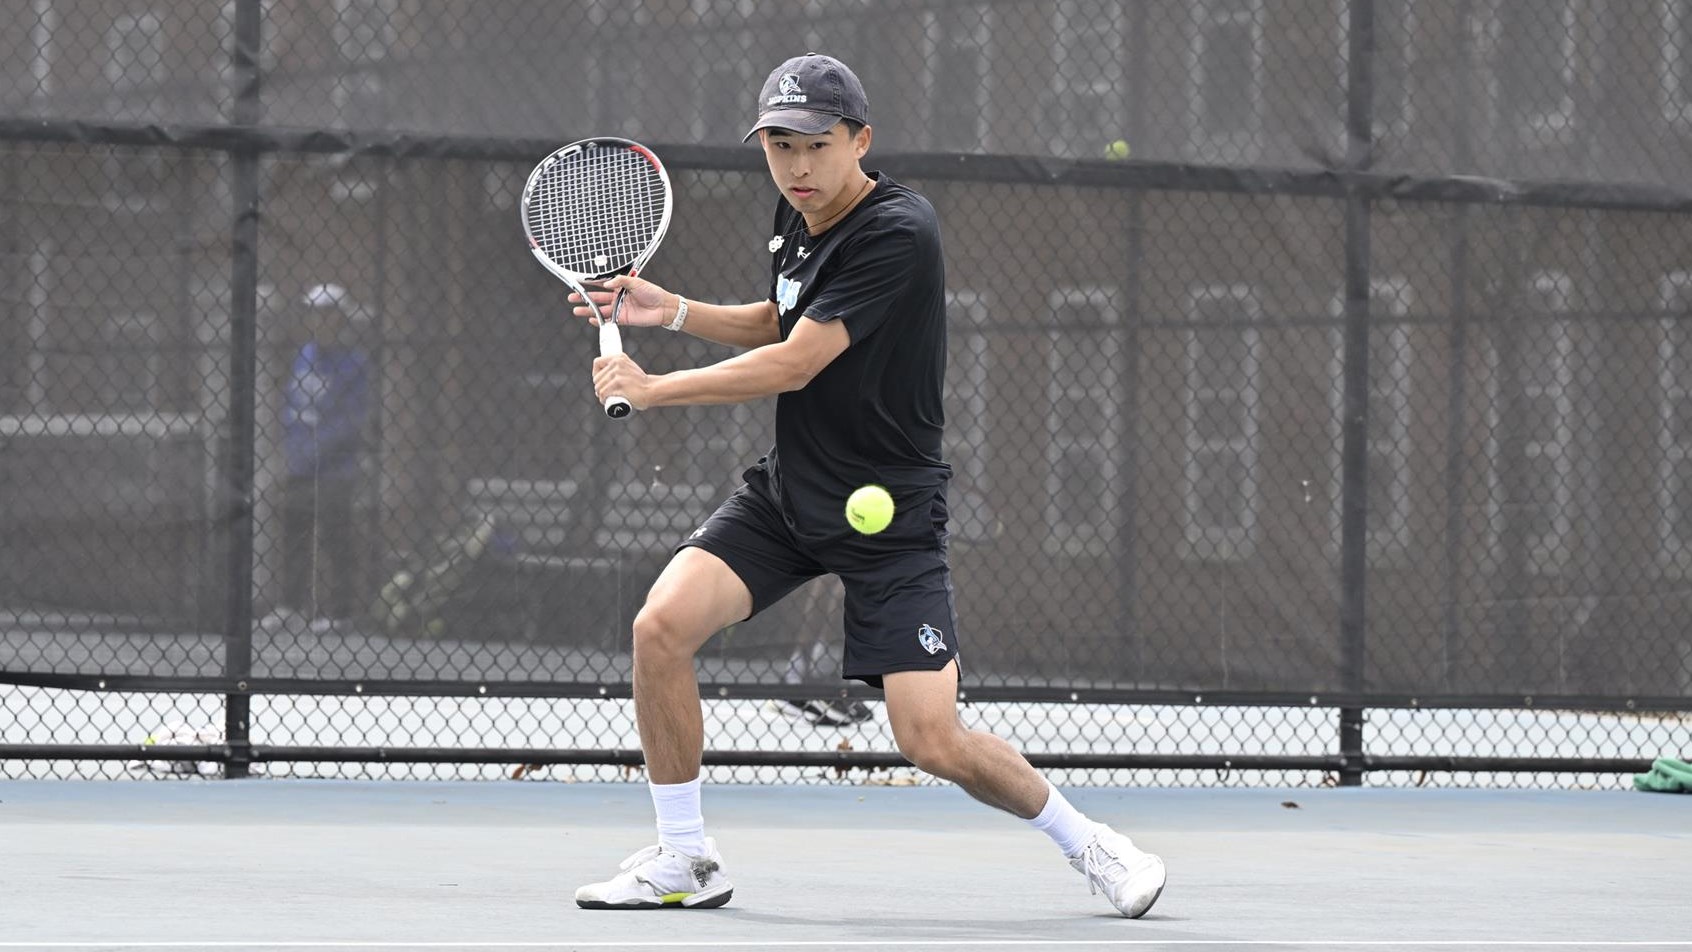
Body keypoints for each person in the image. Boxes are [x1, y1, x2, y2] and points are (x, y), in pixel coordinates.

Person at [568, 53, 1166, 918]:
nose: (796, 166)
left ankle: (1094, 845)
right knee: (660, 628)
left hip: (889, 514)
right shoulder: (797, 215)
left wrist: (655, 388)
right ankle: (686, 857)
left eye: (815, 144)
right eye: (778, 145)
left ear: (860, 141)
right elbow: (786, 315)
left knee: (930, 739)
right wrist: (675, 313)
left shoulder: (898, 231)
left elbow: (799, 361)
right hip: (792, 494)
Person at [275, 282, 373, 631]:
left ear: (339, 318)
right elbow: (291, 405)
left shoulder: (354, 363)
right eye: (315, 314)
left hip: (335, 467)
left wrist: (320, 449)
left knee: (336, 537)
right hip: (301, 462)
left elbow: (353, 418)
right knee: (294, 531)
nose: (319, 321)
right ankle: (291, 605)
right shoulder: (304, 354)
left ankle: (340, 612)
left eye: (326, 314)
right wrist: (294, 449)